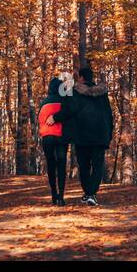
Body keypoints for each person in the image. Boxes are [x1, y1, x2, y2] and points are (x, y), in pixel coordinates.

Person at [54, 65, 112, 205]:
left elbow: (69, 110)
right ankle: (90, 194)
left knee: (84, 165)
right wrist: (109, 133)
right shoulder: (102, 94)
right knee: (97, 165)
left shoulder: (75, 92)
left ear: (81, 77)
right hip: (100, 134)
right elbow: (109, 114)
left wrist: (55, 118)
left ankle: (89, 192)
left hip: (82, 135)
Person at [37, 76, 69, 205]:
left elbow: (40, 120)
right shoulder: (65, 102)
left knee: (51, 165)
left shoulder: (43, 103)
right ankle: (61, 196)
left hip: (48, 137)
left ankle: (53, 195)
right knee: (61, 165)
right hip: (61, 137)